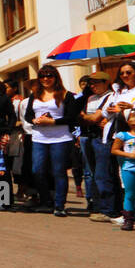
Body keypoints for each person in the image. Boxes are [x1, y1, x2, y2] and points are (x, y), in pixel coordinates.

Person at [22, 65, 81, 217]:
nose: (46, 79)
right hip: (39, 137)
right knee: (37, 170)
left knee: (58, 171)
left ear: (56, 77)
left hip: (60, 137)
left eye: (49, 76)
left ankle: (59, 205)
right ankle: (46, 201)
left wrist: (53, 122)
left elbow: (72, 117)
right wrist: (34, 120)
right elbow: (28, 115)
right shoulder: (34, 95)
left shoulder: (66, 94)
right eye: (42, 76)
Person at [77, 71, 119, 222]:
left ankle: (109, 209)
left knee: (103, 174)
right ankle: (98, 205)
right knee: (93, 174)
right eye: (91, 83)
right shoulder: (89, 98)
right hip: (89, 137)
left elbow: (95, 118)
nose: (93, 86)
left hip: (103, 139)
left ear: (106, 82)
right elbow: (87, 117)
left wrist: (84, 117)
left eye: (96, 82)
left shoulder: (111, 97)